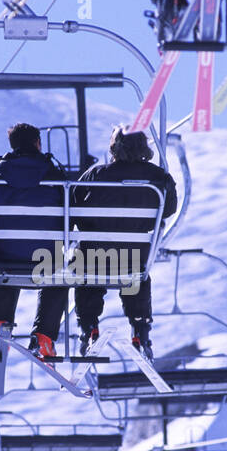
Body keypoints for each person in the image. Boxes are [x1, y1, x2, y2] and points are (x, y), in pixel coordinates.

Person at [72, 127, 178, 360]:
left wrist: (90, 226)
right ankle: (140, 329)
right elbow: (168, 209)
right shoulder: (158, 177)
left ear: (114, 147)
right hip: (134, 257)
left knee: (87, 272)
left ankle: (89, 327)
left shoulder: (96, 175)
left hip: (94, 255)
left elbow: (73, 208)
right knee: (136, 274)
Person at [0, 123, 72, 358]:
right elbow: (69, 216)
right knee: (58, 276)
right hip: (46, 258)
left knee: (4, 269)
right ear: (37, 143)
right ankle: (44, 334)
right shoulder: (54, 175)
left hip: (7, 255)